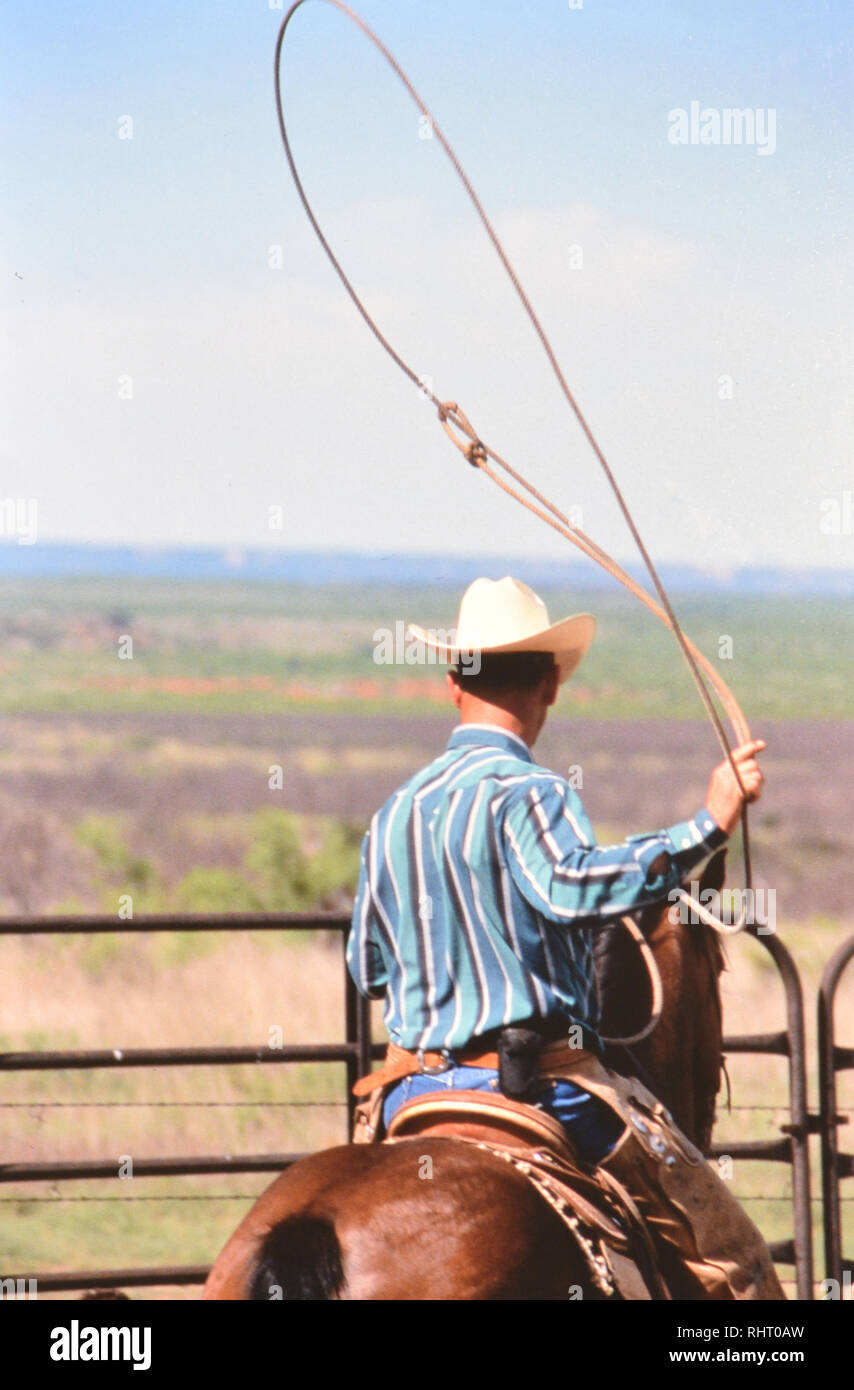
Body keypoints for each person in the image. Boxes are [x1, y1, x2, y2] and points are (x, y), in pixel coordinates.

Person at [347, 576, 783, 1299]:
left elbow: (367, 964)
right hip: (541, 1088)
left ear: (452, 682)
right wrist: (707, 825)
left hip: (408, 1094)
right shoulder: (533, 793)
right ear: (550, 683)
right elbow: (569, 887)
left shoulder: (397, 811)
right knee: (735, 1264)